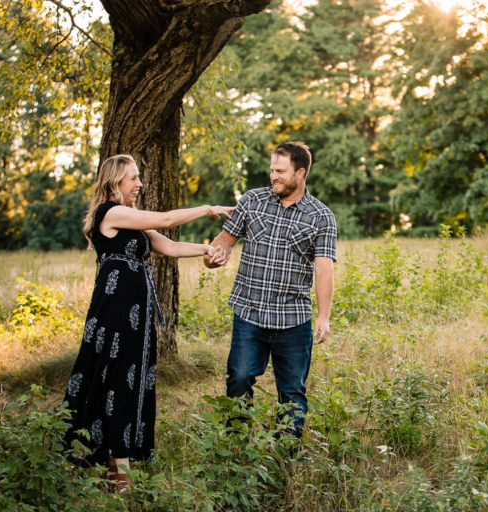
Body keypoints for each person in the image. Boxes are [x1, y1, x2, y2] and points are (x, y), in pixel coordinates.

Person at [62, 154, 233, 489]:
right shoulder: (110, 213)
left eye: (139, 178)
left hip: (136, 320)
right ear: (114, 182)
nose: (139, 184)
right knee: (113, 379)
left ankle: (117, 470)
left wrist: (206, 249)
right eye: (133, 178)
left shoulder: (130, 222)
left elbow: (168, 245)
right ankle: (117, 474)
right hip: (114, 315)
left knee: (130, 381)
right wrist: (207, 209)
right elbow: (168, 219)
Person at [204, 141, 337, 439]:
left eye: (280, 171)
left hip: (293, 320)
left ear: (300, 173)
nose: (273, 176)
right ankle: (236, 449)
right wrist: (215, 255)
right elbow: (225, 239)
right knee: (238, 379)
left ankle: (284, 461)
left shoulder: (321, 216)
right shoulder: (252, 201)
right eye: (271, 170)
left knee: (292, 393)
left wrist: (324, 316)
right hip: (249, 312)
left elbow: (324, 267)